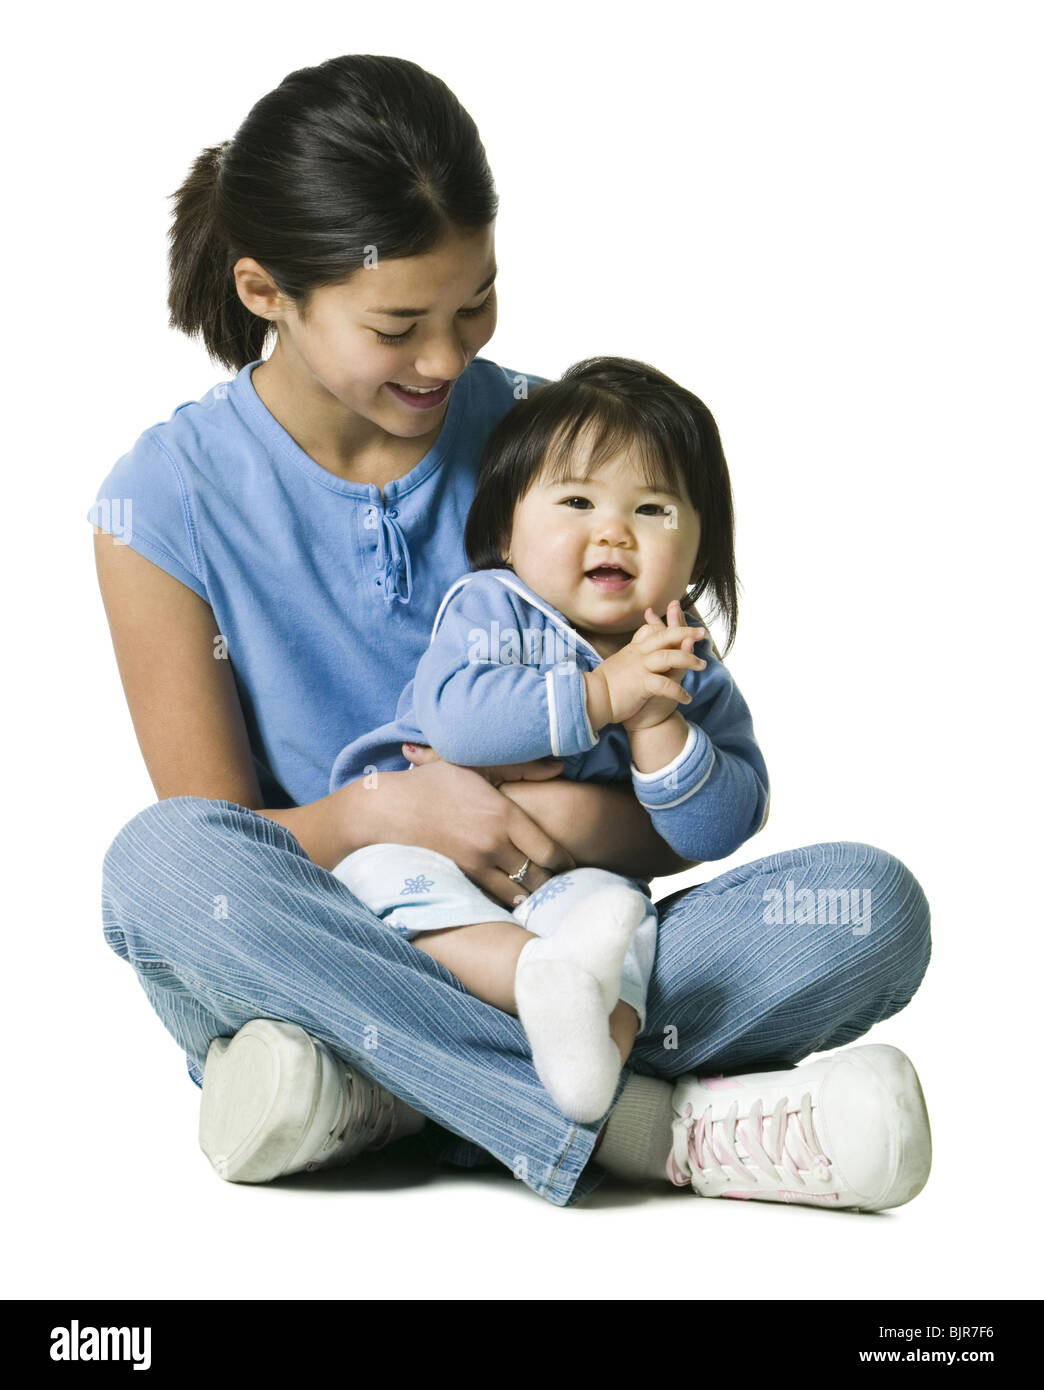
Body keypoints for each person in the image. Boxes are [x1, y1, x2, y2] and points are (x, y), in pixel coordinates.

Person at [88, 53, 932, 1209]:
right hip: (338, 933)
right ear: (264, 290)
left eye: (474, 304)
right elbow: (224, 844)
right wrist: (384, 813)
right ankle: (650, 1126)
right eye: (399, 325)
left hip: (576, 919)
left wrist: (526, 824)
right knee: (157, 868)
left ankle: (372, 1096)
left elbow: (673, 800)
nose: (447, 358)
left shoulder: (560, 450)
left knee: (868, 907)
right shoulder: (161, 500)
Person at [326, 357, 770, 1125]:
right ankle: (538, 983)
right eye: (576, 500)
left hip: (568, 886)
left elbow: (723, 824)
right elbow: (460, 723)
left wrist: (655, 720)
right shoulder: (494, 608)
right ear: (505, 528)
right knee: (378, 888)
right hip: (422, 854)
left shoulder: (680, 660)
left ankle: (593, 1064)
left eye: (655, 510)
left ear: (701, 550)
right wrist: (603, 694)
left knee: (623, 929)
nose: (614, 531)